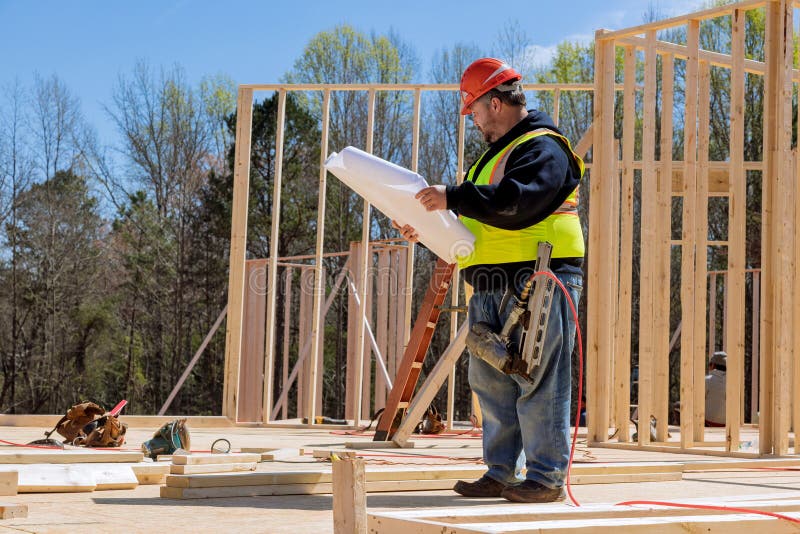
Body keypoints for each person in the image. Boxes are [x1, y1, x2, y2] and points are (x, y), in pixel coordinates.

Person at [395, 57, 584, 503]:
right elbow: (477, 225)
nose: (474, 122)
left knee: (537, 379)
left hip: (539, 280)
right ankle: (501, 471)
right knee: (492, 382)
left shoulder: (543, 147)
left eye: (474, 112)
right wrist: (428, 232)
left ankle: (546, 478)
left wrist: (453, 195)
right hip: (491, 285)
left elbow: (518, 203)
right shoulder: (491, 159)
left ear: (495, 103)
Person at [705, 351, 727, 427]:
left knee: (678, 405)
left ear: (713, 365)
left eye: (709, 364)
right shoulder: (733, 383)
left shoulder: (707, 381)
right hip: (727, 425)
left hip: (707, 423)